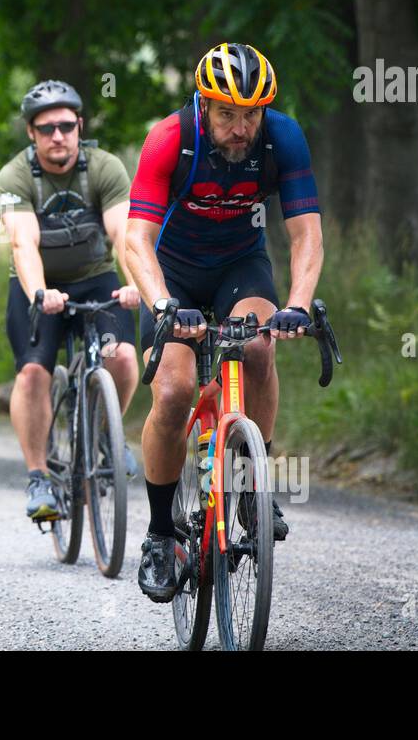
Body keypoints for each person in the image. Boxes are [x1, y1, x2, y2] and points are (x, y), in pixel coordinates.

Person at [124, 43, 323, 603]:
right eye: (228, 114)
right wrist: (162, 304)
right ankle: (162, 533)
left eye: (252, 114)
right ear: (203, 107)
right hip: (173, 274)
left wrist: (299, 305)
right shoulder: (170, 138)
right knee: (174, 391)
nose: (241, 128)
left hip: (241, 266)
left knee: (259, 350)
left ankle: (250, 487)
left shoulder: (282, 139)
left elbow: (306, 234)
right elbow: (136, 240)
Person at [0, 79, 142, 523]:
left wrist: (136, 285)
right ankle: (39, 474)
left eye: (64, 126)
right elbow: (23, 243)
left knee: (123, 358)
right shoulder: (15, 176)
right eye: (45, 129)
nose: (56, 136)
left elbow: (123, 234)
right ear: (31, 134)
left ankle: (104, 437)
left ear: (79, 126)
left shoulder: (104, 167)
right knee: (33, 374)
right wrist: (41, 293)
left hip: (96, 279)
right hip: (38, 286)